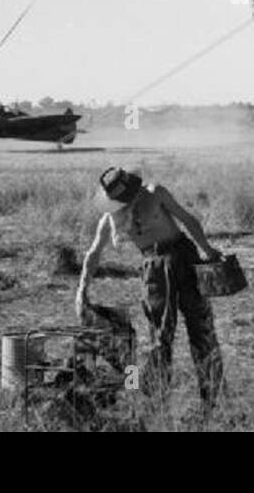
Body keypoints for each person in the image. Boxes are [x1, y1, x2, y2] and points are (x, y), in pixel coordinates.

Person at [76, 166, 225, 408]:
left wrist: (207, 250)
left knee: (201, 329)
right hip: (154, 270)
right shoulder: (112, 219)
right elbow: (93, 254)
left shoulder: (156, 193)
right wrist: (81, 289)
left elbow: (187, 220)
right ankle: (158, 401)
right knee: (160, 337)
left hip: (183, 257)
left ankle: (212, 401)